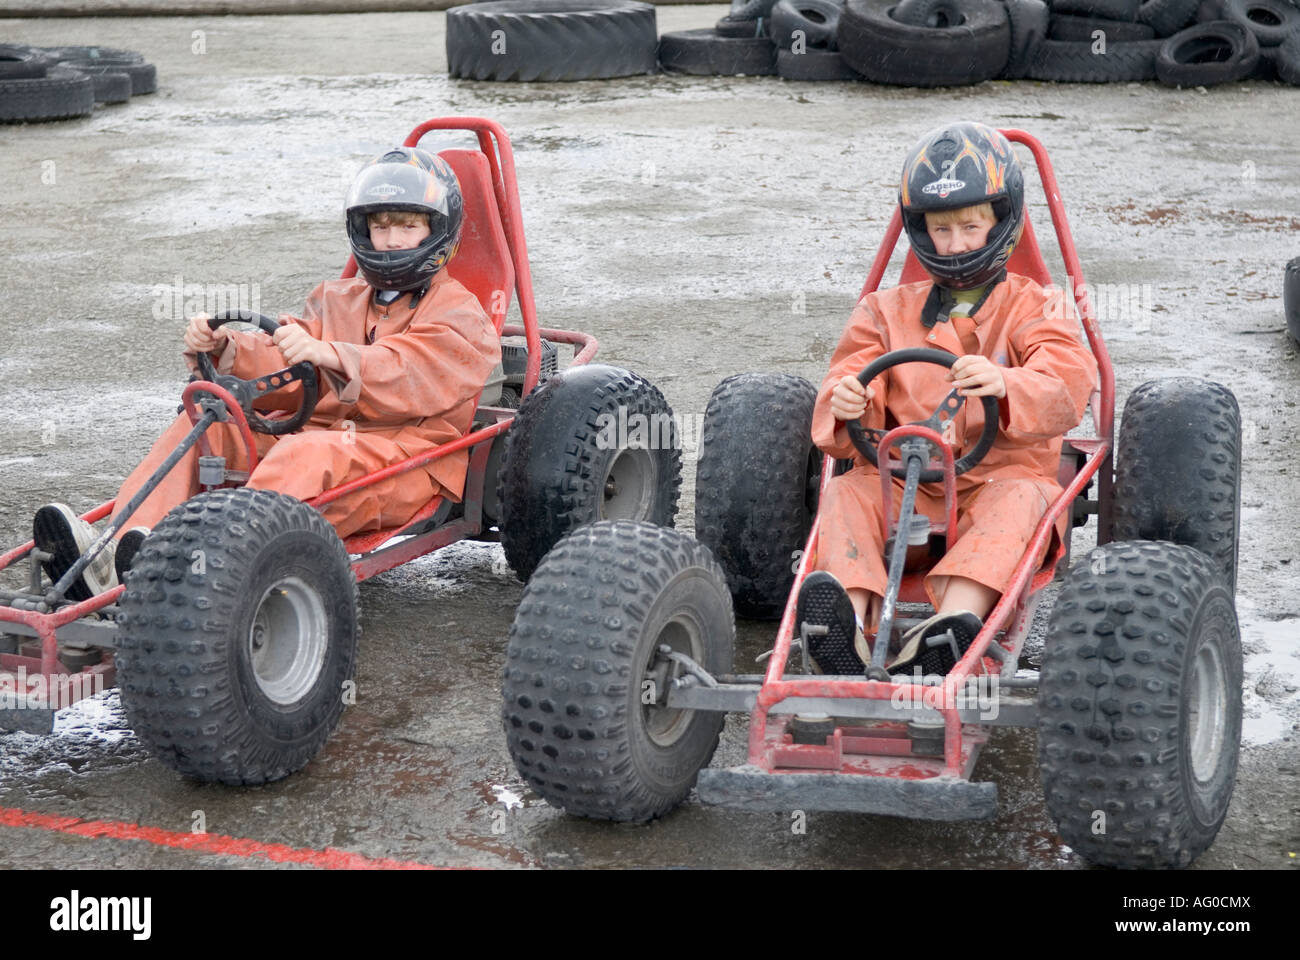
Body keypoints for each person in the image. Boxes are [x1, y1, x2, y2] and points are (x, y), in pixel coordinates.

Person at [34, 147, 502, 601]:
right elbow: (288, 359)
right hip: (321, 437)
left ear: (437, 231)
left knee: (304, 451)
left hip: (407, 456)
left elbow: (411, 376)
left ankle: (214, 565)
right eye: (382, 226)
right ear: (363, 230)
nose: (393, 240)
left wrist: (332, 354)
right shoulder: (337, 297)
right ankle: (119, 549)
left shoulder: (462, 314)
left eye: (408, 225)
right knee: (207, 424)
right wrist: (227, 350)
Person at [797, 121, 1098, 677]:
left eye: (970, 225)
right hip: (897, 483)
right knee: (845, 492)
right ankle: (843, 626)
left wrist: (1008, 383)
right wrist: (846, 402)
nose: (955, 243)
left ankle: (951, 629)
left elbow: (1067, 386)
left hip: (997, 479)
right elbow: (851, 377)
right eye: (941, 228)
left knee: (1021, 498)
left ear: (1001, 221)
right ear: (920, 229)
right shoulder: (883, 311)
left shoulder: (1038, 306)